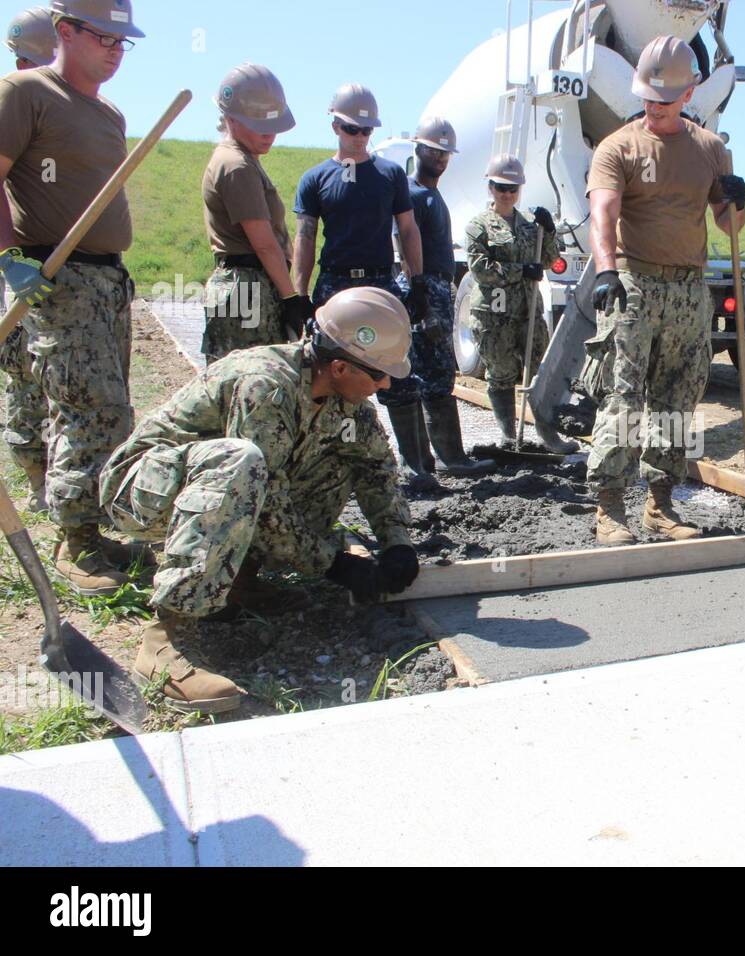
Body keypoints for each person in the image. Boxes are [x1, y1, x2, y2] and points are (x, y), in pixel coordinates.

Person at [99, 287, 420, 713]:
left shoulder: (345, 401)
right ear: (341, 366)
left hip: (224, 489)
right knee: (243, 462)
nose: (385, 384)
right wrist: (333, 562)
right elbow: (265, 502)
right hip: (144, 490)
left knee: (337, 465)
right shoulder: (266, 385)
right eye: (379, 374)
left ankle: (235, 584)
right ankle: (167, 639)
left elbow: (376, 469)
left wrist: (397, 543)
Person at [0, 0, 151, 594]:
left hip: (108, 280)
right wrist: (10, 258)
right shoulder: (25, 92)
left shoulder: (108, 112)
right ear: (65, 32)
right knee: (87, 407)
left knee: (114, 411)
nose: (116, 49)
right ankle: (74, 543)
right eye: (104, 37)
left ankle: (92, 523)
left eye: (124, 41)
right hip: (59, 279)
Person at [584, 35, 745, 544]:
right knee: (624, 400)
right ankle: (610, 507)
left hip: (687, 290)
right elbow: (603, 213)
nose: (653, 107)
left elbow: (729, 226)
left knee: (678, 401)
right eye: (647, 97)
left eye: (664, 98)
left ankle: (660, 504)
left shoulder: (711, 150)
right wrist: (607, 269)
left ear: (689, 92)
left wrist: (736, 200)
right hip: (633, 283)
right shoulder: (619, 147)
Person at [291, 82, 435, 490]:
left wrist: (418, 281)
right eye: (352, 129)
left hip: (381, 283)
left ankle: (415, 469)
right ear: (335, 125)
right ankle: (325, 467)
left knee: (397, 376)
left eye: (366, 131)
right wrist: (297, 294)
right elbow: (304, 238)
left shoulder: (390, 175)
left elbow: (408, 230)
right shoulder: (316, 179)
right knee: (334, 375)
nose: (359, 137)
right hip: (335, 284)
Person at [385, 114, 492, 477]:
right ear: (418, 149)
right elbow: (403, 243)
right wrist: (422, 302)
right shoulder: (413, 195)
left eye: (446, 153)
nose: (441, 159)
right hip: (424, 288)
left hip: (436, 287)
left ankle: (442, 457)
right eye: (434, 152)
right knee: (428, 376)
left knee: (437, 374)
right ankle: (436, 460)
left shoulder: (431, 194)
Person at [464, 153, 576, 454]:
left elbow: (550, 260)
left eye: (513, 188)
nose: (507, 194)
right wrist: (520, 271)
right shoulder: (479, 226)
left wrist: (549, 231)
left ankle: (547, 435)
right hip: (495, 315)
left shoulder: (529, 225)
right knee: (500, 374)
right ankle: (509, 437)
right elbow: (481, 270)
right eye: (501, 187)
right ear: (491, 187)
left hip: (529, 313)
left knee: (539, 372)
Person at [200, 63, 310, 363]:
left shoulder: (241, 159)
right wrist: (290, 298)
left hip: (249, 287)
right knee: (252, 386)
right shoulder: (236, 165)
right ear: (231, 119)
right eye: (259, 126)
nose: (269, 135)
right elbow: (263, 242)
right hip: (247, 289)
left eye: (273, 127)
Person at [0, 5, 57, 512]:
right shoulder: (12, 100)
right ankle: (37, 479)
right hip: (21, 264)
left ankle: (59, 482)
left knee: (55, 375)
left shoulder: (62, 106)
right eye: (21, 59)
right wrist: (8, 258)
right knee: (22, 370)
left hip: (60, 263)